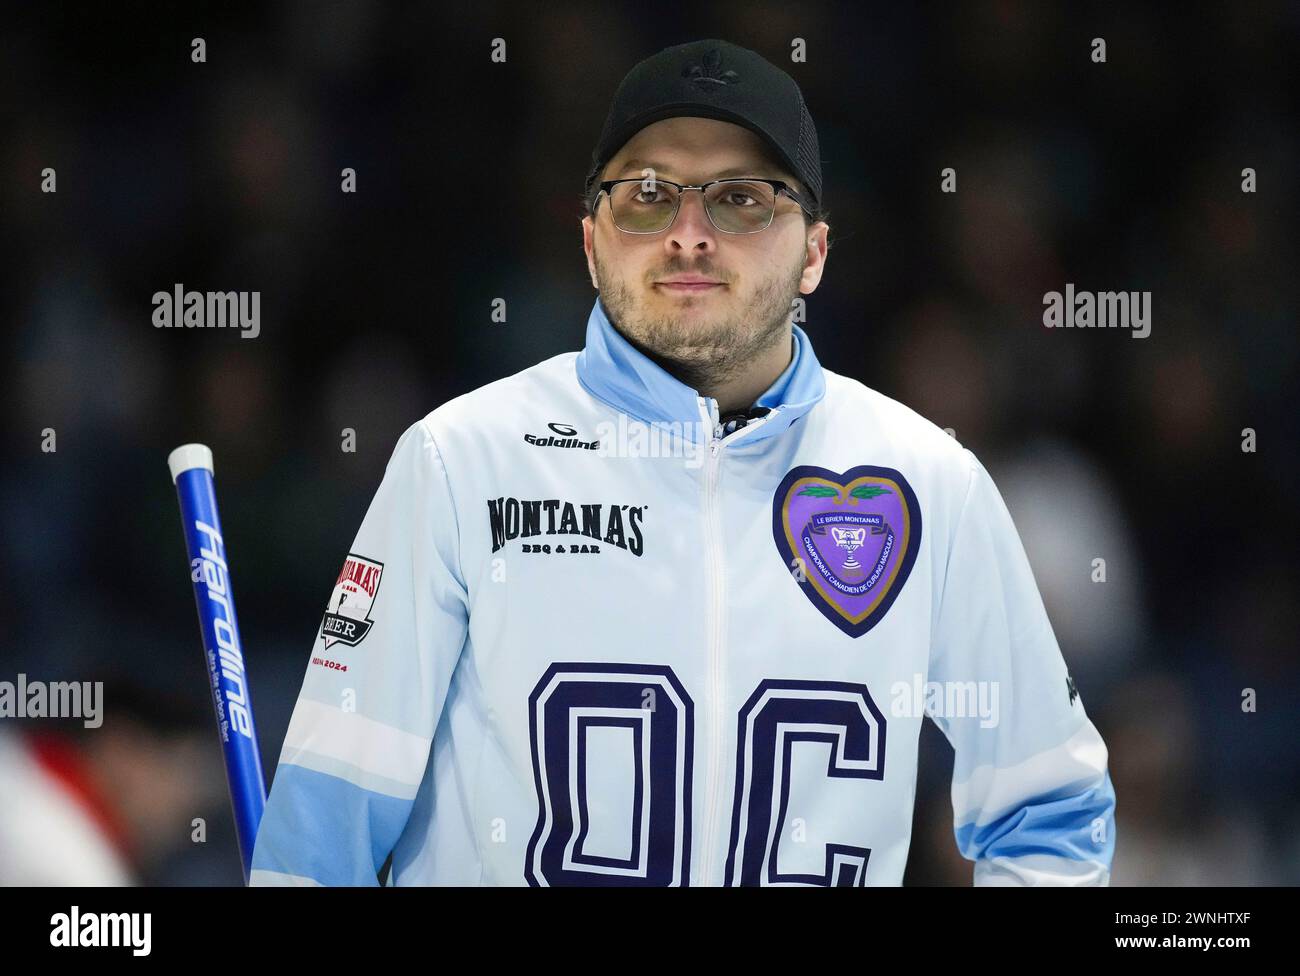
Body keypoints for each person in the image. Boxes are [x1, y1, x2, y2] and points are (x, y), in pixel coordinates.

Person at [251, 38, 1115, 886]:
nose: (689, 236)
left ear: (813, 251)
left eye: (740, 200)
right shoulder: (461, 463)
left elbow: (1052, 809)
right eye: (648, 196)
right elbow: (323, 834)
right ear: (591, 242)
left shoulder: (931, 485)